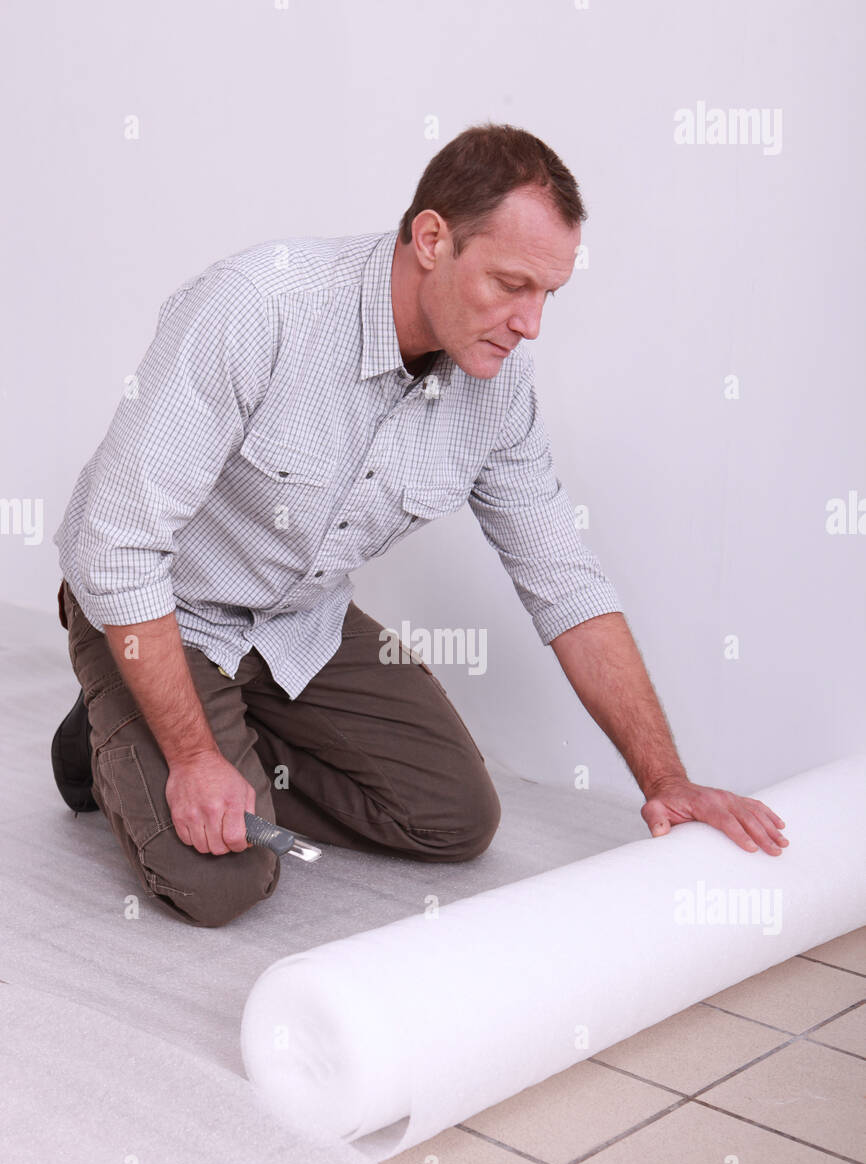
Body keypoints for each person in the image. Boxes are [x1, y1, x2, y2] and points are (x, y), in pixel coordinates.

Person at [51, 122, 788, 928]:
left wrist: (666, 781)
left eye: (548, 295)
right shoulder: (257, 307)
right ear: (432, 238)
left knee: (452, 818)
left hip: (297, 623)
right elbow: (116, 545)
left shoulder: (498, 387)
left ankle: (183, 735)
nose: (531, 322)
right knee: (221, 883)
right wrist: (191, 760)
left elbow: (566, 585)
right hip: (158, 611)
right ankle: (125, 736)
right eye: (511, 284)